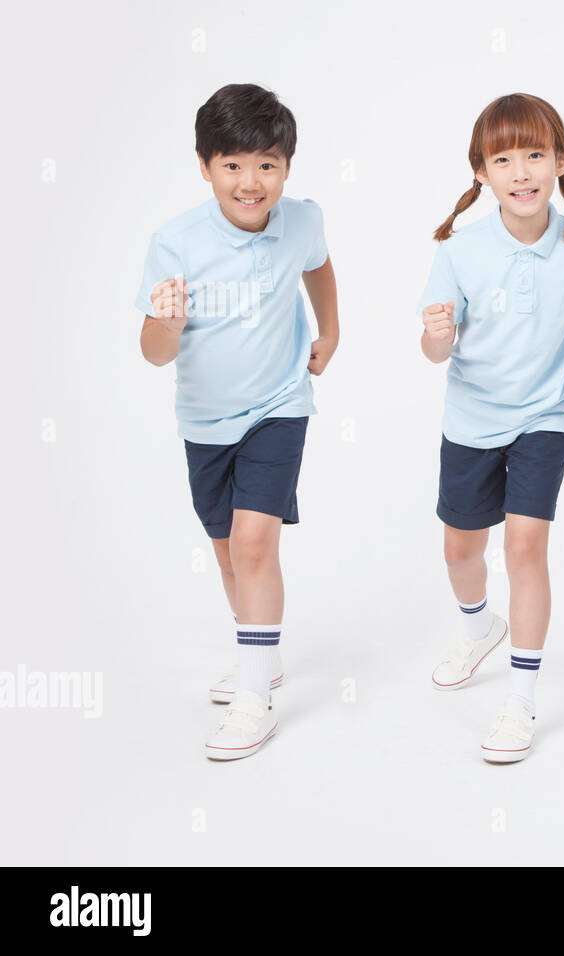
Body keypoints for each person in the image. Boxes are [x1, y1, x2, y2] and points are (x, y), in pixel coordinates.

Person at [418, 93, 564, 763]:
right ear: (481, 172)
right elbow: (435, 351)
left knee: (526, 546)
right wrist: (436, 336)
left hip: (546, 414)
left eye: (535, 154)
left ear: (560, 161)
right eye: (503, 159)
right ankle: (480, 627)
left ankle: (521, 699)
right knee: (460, 550)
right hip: (472, 417)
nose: (521, 171)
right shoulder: (460, 248)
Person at [134, 83, 338, 760]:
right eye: (233, 165)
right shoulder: (176, 243)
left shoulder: (301, 220)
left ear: (286, 167)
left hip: (280, 405)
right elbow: (154, 352)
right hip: (204, 421)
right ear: (205, 166)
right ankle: (265, 650)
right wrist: (168, 322)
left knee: (255, 544)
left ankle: (255, 698)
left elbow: (319, 265)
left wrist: (330, 332)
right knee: (227, 553)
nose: (250, 182)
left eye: (267, 165)